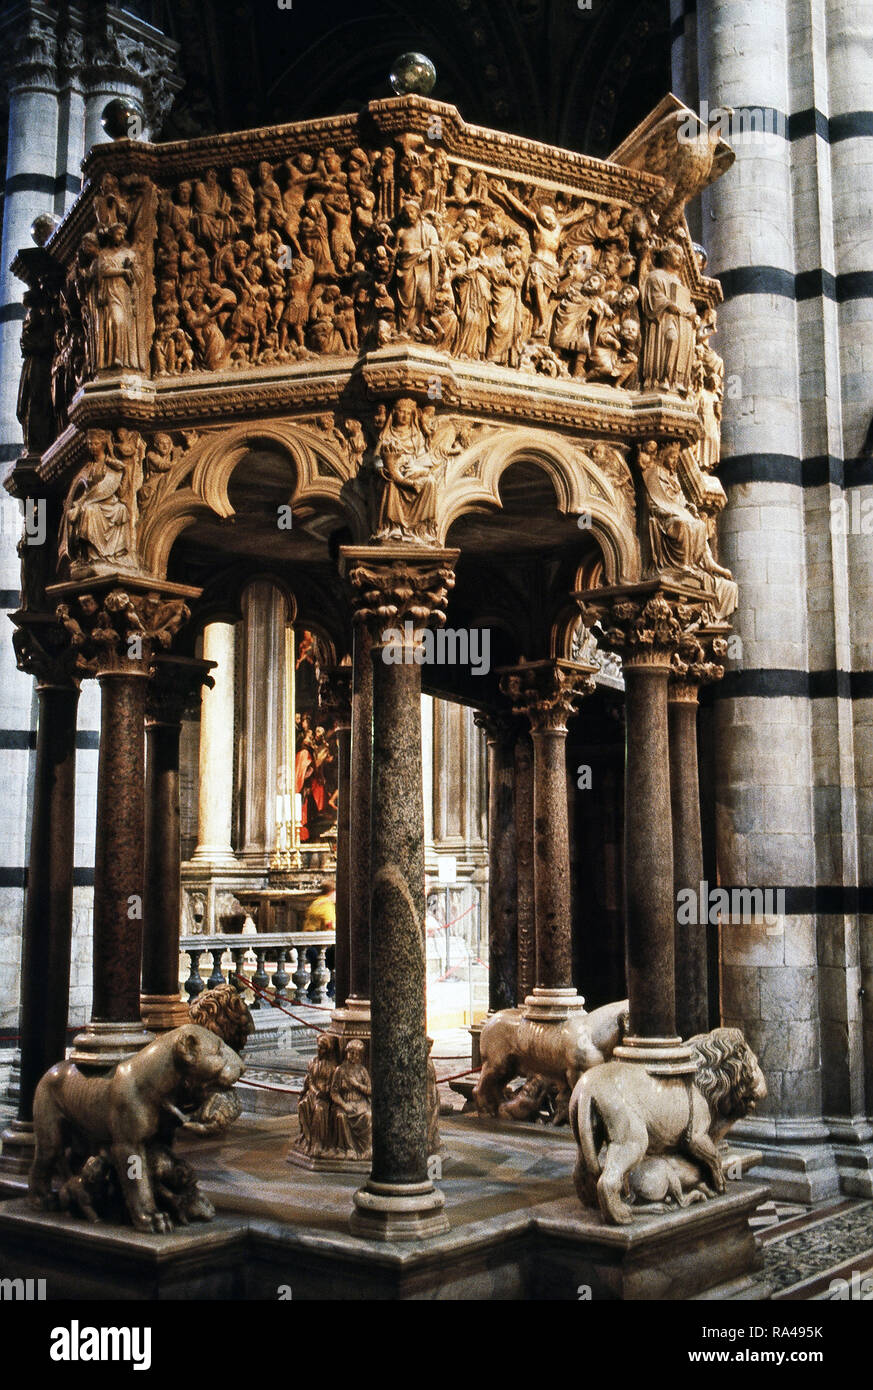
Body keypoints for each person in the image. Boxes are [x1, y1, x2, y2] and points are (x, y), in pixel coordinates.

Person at [303, 879, 336, 998]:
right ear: (331, 892)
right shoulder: (327, 905)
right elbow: (330, 925)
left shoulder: (315, 903)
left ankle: (309, 996)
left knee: (316, 977)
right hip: (321, 946)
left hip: (309, 946)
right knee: (332, 974)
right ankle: (327, 995)